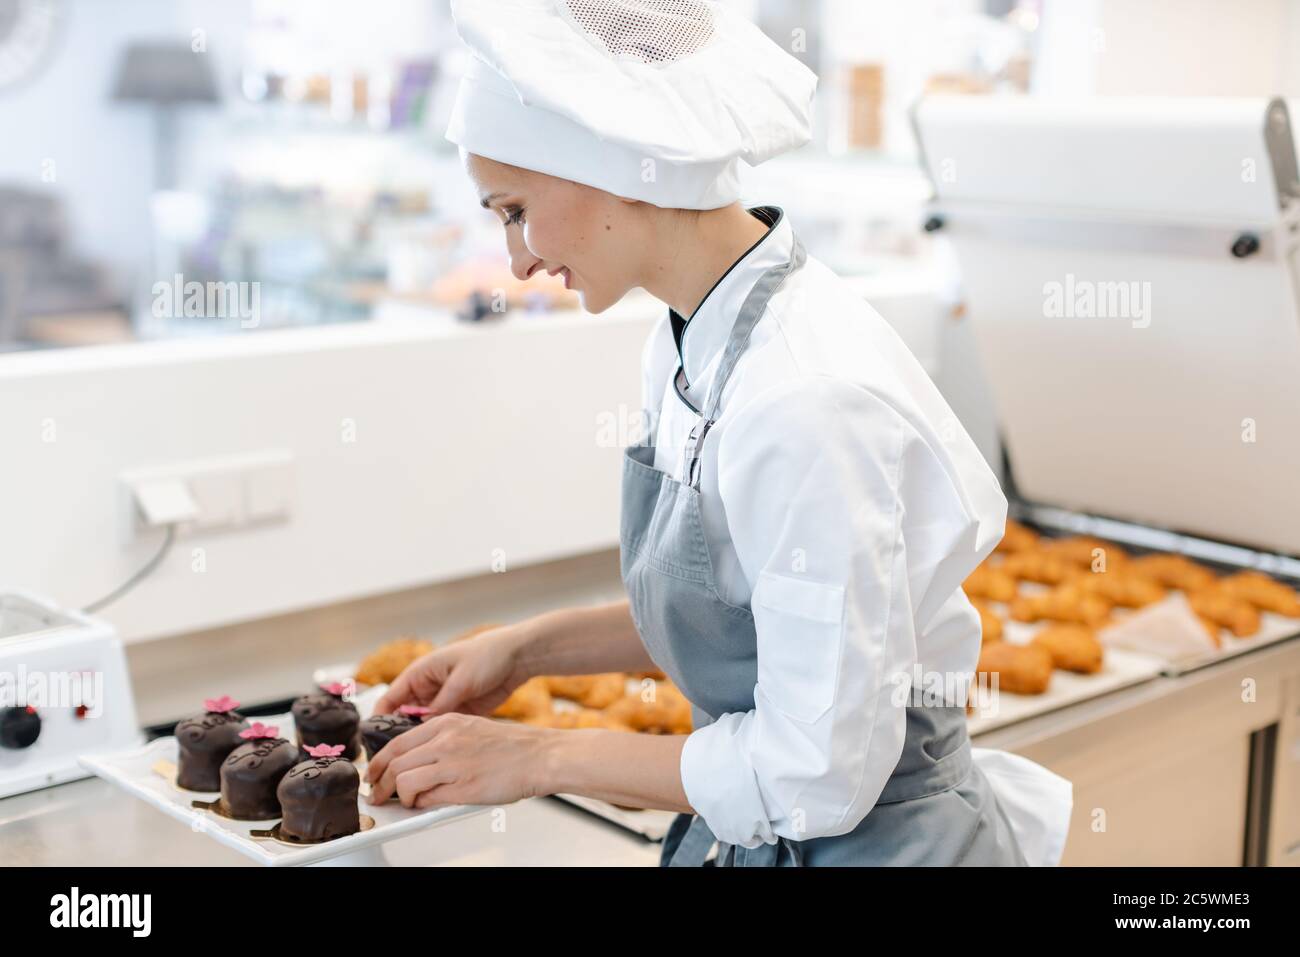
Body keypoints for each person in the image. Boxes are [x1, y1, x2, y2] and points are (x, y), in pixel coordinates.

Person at [368, 0, 1072, 866]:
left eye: (513, 210)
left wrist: (537, 757)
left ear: (611, 164)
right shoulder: (689, 337)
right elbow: (743, 612)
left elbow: (811, 773)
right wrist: (524, 651)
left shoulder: (804, 399)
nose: (515, 259)